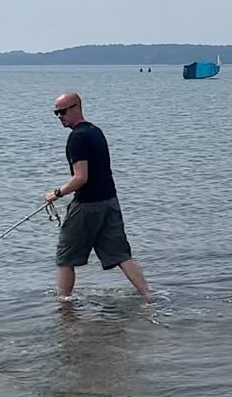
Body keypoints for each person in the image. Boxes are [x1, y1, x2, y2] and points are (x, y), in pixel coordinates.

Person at [46, 93, 152, 300]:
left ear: (77, 107)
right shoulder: (96, 131)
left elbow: (81, 178)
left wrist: (57, 193)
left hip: (87, 205)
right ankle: (148, 296)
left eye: (63, 112)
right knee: (122, 255)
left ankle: (64, 305)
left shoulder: (77, 137)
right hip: (109, 201)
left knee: (65, 257)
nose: (59, 117)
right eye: (56, 113)